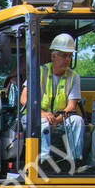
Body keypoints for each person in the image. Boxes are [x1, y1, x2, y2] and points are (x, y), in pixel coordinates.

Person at [22, 33, 84, 167]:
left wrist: (56, 120)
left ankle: (75, 160)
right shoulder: (39, 72)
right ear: (54, 56)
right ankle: (44, 161)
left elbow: (71, 106)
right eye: (64, 55)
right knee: (44, 122)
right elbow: (24, 98)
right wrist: (43, 114)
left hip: (59, 117)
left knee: (77, 120)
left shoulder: (74, 77)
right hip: (35, 116)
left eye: (69, 56)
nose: (67, 59)